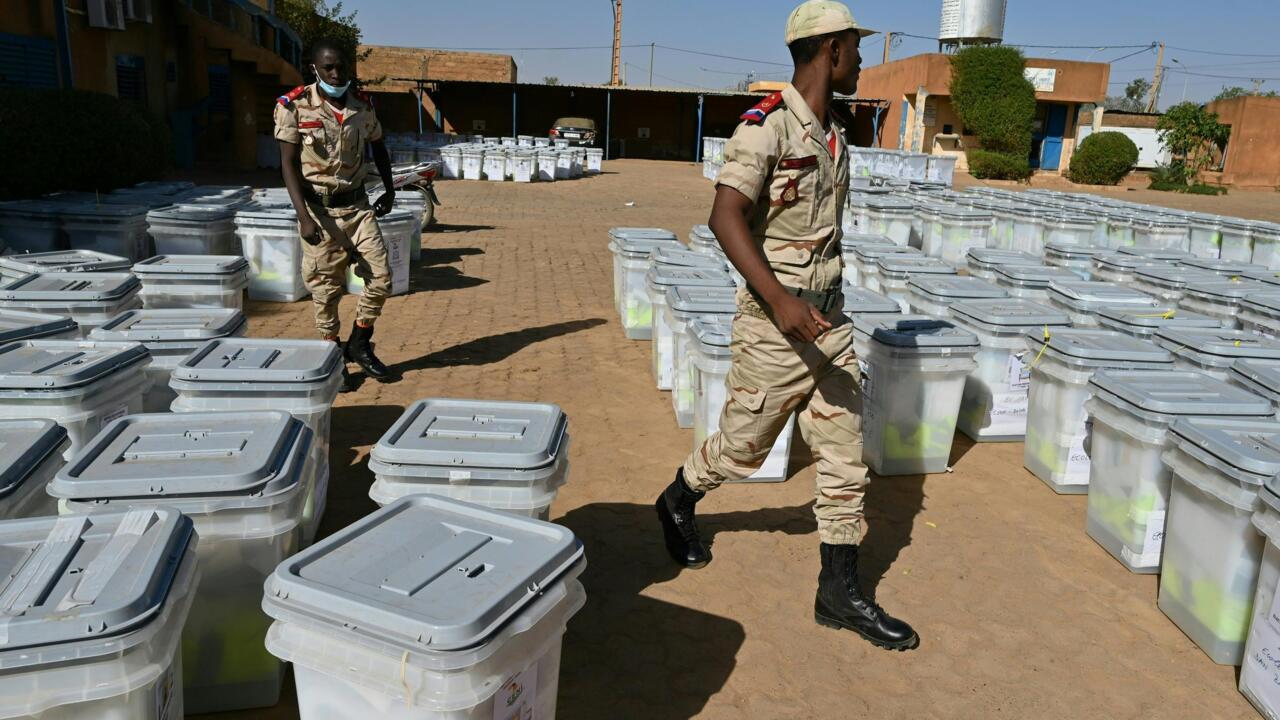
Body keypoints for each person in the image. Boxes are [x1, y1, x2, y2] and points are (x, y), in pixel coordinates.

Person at [654, 0, 919, 651]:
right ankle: (679, 498)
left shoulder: (836, 131)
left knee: (844, 459)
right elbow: (725, 216)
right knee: (742, 449)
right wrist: (780, 301)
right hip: (777, 330)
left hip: (829, 326)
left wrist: (816, 308)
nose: (861, 60)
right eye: (856, 49)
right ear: (831, 51)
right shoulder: (766, 127)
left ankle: (839, 593)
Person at [274, 37, 397, 390]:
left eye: (342, 66)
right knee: (325, 291)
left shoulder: (363, 106)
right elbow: (287, 165)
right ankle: (332, 357)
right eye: (328, 67)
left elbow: (379, 148)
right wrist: (303, 216)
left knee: (381, 279)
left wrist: (388, 190)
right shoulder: (294, 107)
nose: (336, 72)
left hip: (358, 208)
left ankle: (359, 343)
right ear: (314, 67)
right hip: (319, 212)